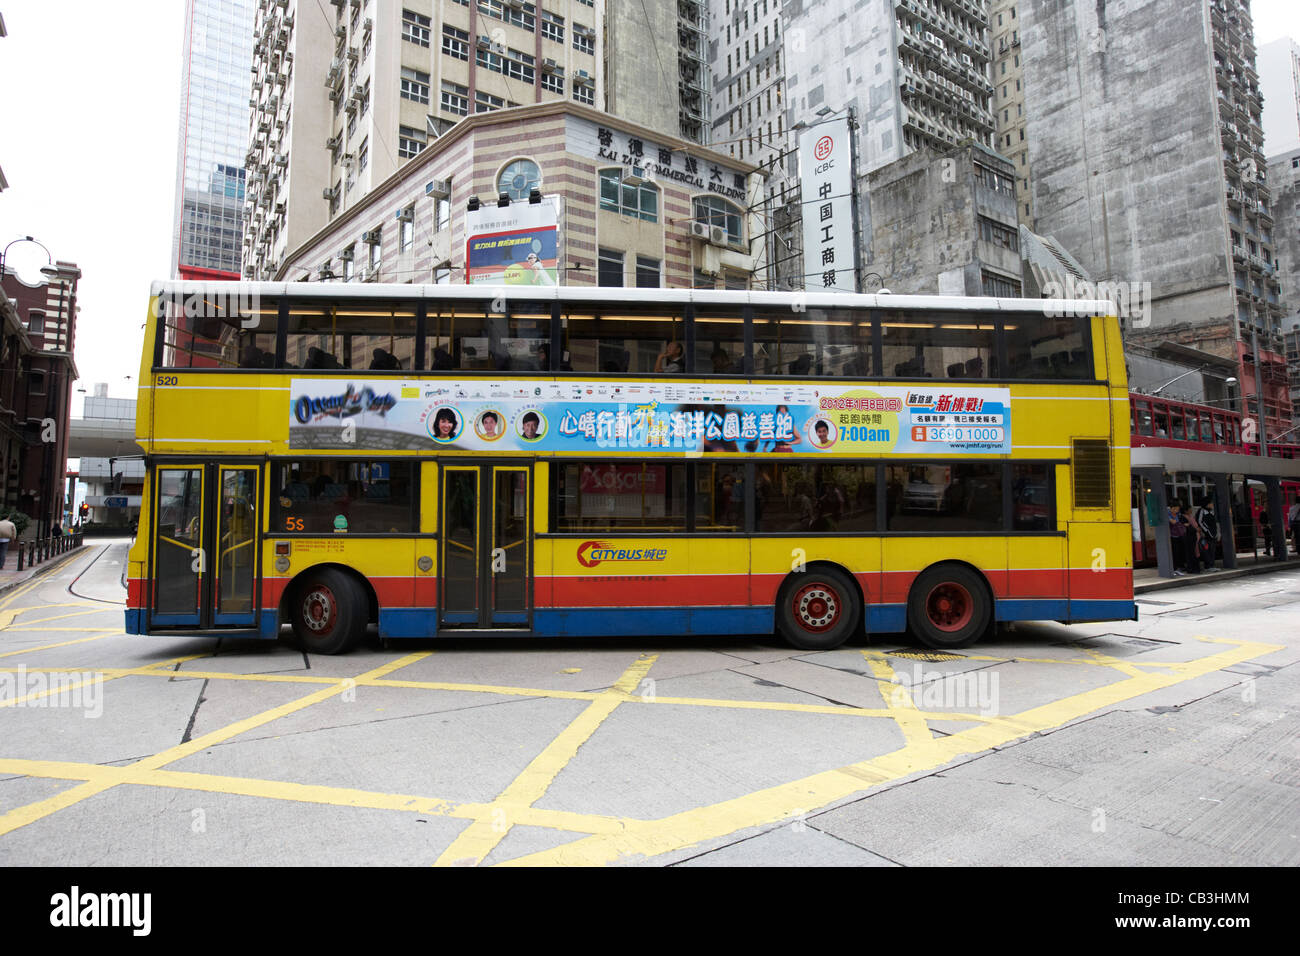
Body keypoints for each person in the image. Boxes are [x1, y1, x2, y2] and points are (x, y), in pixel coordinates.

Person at [1195, 498, 1221, 571]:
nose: (1212, 504)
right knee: (1206, 550)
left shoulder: (1212, 511)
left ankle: (1211, 565)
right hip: (1205, 535)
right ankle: (1208, 566)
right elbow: (1200, 522)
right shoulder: (1201, 511)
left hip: (1213, 534)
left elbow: (1215, 523)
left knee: (1212, 550)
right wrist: (1206, 530)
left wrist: (1217, 532)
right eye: (1211, 503)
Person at [1180, 503, 1202, 574]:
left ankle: (1195, 568)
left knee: (1194, 552)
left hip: (1194, 537)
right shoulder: (1183, 517)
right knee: (1191, 553)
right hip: (1189, 538)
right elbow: (1188, 527)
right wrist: (1196, 529)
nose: (1191, 511)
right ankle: (1192, 568)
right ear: (1185, 511)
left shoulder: (1190, 517)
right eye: (1189, 509)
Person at [1167, 503, 1188, 576]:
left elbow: (1186, 522)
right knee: (1174, 553)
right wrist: (1180, 523)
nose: (1177, 510)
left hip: (1179, 535)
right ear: (1171, 508)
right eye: (1176, 509)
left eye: (1178, 509)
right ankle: (1174, 569)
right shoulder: (1168, 514)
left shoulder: (1178, 515)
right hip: (1172, 536)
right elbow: (1173, 522)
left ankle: (1178, 568)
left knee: (1179, 552)